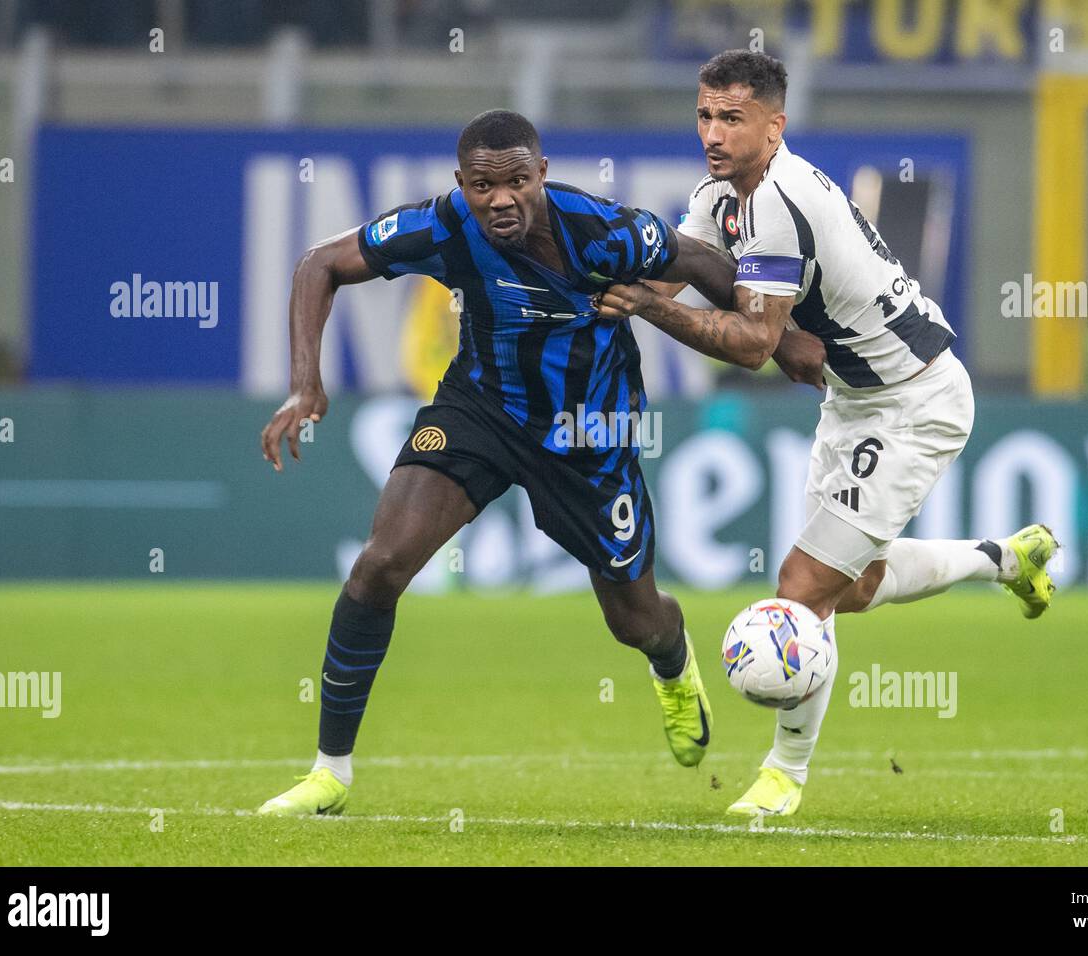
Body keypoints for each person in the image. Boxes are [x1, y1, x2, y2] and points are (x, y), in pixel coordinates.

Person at [597, 51, 1059, 818]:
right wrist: (602, 301)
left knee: (803, 587)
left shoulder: (781, 199)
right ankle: (1006, 558)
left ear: (775, 126)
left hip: (916, 399)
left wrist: (644, 308)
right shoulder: (721, 194)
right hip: (854, 401)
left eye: (732, 118)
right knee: (856, 585)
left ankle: (783, 776)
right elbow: (676, 270)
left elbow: (749, 345)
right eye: (705, 115)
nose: (713, 133)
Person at [256, 110, 736, 815]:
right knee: (380, 565)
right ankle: (330, 772)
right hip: (481, 411)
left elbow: (701, 262)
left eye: (517, 180)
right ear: (462, 184)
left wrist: (778, 340)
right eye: (483, 184)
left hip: (588, 432)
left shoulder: (606, 230)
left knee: (635, 620)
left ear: (542, 175)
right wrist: (305, 383)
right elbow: (319, 264)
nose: (500, 198)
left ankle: (672, 661)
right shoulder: (443, 226)